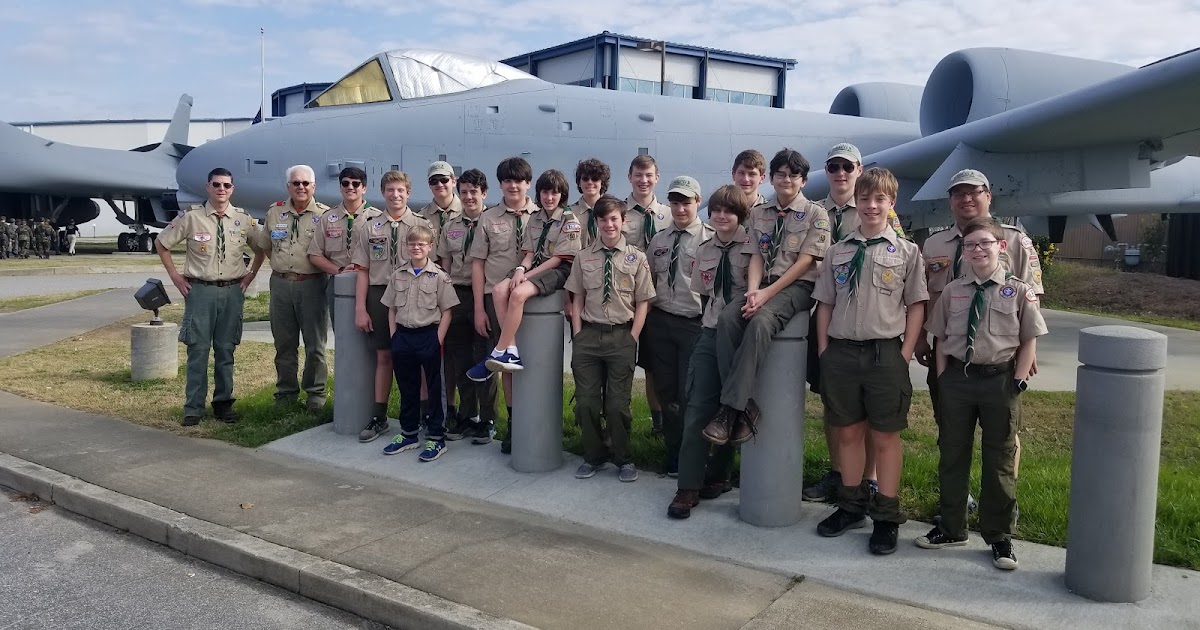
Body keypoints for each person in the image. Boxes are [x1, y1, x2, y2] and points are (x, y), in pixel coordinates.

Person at [918, 216, 1046, 570]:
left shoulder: (1018, 290)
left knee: (1000, 459)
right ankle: (951, 526)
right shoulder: (954, 291)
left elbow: (1029, 338)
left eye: (985, 243)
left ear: (1000, 247)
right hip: (958, 380)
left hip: (999, 382)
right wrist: (943, 378)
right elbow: (941, 338)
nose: (977, 249)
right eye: (971, 245)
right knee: (953, 455)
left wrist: (1019, 380)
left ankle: (999, 536)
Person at [813, 167, 928, 556]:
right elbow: (825, 303)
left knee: (885, 437)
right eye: (865, 199)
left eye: (880, 199)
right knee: (847, 432)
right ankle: (850, 506)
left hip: (885, 354)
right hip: (842, 354)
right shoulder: (838, 251)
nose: (872, 205)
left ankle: (886, 515)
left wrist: (906, 352)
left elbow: (916, 306)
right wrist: (825, 351)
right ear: (856, 203)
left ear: (890, 203)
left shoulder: (907, 252)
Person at [916, 169, 1044, 486]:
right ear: (950, 201)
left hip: (999, 358)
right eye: (959, 193)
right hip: (949, 353)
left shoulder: (1014, 241)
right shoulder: (934, 244)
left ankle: (1000, 501)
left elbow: (1032, 296)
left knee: (1003, 436)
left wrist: (1031, 349)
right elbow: (922, 295)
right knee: (949, 427)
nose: (967, 199)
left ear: (989, 196)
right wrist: (920, 337)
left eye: (974, 192)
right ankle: (959, 498)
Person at [704, 148, 830, 444]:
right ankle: (745, 405)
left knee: (760, 322)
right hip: (761, 285)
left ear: (804, 180)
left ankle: (729, 410)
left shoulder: (816, 214)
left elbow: (806, 261)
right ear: (771, 179)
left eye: (793, 175)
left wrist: (766, 294)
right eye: (780, 174)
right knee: (728, 319)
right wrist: (752, 291)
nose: (786, 180)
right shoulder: (759, 214)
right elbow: (756, 256)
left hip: (797, 287)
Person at [805, 143, 891, 502]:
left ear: (859, 169)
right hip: (823, 313)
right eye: (833, 166)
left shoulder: (873, 210)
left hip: (865, 316)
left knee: (868, 406)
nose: (840, 173)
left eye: (847, 166)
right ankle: (840, 472)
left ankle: (869, 478)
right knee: (833, 401)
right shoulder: (812, 212)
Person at [155, 167, 265, 426]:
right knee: (198, 350)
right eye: (216, 184)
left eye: (227, 185)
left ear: (232, 189)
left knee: (226, 350)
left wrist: (250, 275)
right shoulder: (192, 218)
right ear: (208, 187)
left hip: (232, 291)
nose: (221, 189)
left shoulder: (242, 219)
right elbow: (162, 243)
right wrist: (175, 276)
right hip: (200, 291)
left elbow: (261, 248)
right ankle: (193, 407)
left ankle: (223, 404)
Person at [667, 185, 751, 518]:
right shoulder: (704, 250)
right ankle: (688, 486)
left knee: (733, 406)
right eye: (715, 211)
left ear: (740, 215)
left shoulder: (754, 248)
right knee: (699, 406)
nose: (720, 216)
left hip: (743, 338)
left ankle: (719, 475)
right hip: (711, 332)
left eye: (728, 211)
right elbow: (705, 296)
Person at [565, 195, 656, 482]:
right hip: (589, 337)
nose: (608, 224)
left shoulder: (636, 257)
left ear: (623, 221)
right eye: (603, 219)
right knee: (587, 403)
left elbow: (643, 300)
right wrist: (578, 332)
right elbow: (577, 296)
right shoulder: (584, 256)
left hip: (621, 336)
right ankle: (593, 456)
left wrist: (633, 336)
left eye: (614, 218)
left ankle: (623, 457)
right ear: (597, 222)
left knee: (618, 405)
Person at [467, 169, 581, 375]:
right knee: (499, 290)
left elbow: (557, 259)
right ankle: (510, 349)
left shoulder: (569, 220)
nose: (549, 198)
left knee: (518, 293)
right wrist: (520, 269)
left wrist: (526, 276)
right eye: (545, 193)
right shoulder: (536, 219)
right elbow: (528, 253)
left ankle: (498, 350)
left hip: (559, 269)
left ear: (562, 195)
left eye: (554, 193)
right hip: (535, 266)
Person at [353, 170, 435, 443]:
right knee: (384, 356)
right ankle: (380, 416)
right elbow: (362, 270)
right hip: (380, 295)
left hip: (416, 294)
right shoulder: (369, 226)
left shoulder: (422, 225)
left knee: (421, 358)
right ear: (383, 192)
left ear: (408, 193)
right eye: (390, 190)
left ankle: (425, 414)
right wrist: (360, 308)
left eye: (400, 190)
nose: (395, 195)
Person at [465, 157, 536, 452]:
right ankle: (514, 425)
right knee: (505, 361)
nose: (512, 185)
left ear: (527, 184)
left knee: (531, 362)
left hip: (532, 302)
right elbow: (478, 265)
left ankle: (536, 422)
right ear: (500, 184)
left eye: (518, 180)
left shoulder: (542, 216)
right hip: (495, 300)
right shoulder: (489, 218)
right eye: (507, 180)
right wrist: (480, 309)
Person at [644, 176, 712, 476]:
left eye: (686, 202)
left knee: (690, 393)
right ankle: (673, 452)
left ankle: (694, 454)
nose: (680, 208)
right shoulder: (659, 240)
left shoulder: (710, 240)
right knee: (666, 391)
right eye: (675, 202)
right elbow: (648, 282)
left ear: (698, 201)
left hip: (693, 324)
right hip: (661, 323)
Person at [378, 225, 459, 462]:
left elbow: (447, 311)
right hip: (403, 336)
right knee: (407, 386)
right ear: (405, 247)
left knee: (435, 388)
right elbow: (391, 308)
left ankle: (436, 437)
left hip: (429, 336)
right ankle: (409, 433)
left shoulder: (440, 276)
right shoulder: (397, 275)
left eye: (421, 244)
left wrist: (437, 339)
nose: (416, 248)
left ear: (430, 248)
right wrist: (394, 335)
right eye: (412, 244)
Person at [254, 165, 330, 413]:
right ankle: (285, 393)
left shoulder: (325, 216)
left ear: (314, 187)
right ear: (288, 186)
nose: (301, 187)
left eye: (306, 183)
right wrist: (282, 266)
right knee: (284, 343)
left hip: (312, 285)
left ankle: (315, 395)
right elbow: (265, 245)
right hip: (280, 285)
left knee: (315, 345)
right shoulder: (275, 213)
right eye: (296, 183)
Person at [437, 169, 498, 442]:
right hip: (457, 295)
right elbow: (445, 264)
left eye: (474, 191)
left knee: (485, 359)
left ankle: (487, 419)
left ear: (484, 193)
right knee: (459, 358)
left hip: (484, 296)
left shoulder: (495, 223)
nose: (469, 197)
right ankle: (467, 415)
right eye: (464, 192)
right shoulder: (451, 226)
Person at [307, 167, 380, 330]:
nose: (350, 187)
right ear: (340, 187)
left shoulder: (377, 218)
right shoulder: (328, 217)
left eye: (356, 183)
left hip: (370, 284)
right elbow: (315, 254)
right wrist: (339, 270)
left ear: (364, 188)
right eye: (345, 183)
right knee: (341, 332)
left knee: (371, 334)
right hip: (338, 283)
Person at [571, 158, 610, 248]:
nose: (590, 182)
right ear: (579, 183)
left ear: (602, 183)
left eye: (595, 179)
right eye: (585, 179)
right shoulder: (569, 213)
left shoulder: (613, 211)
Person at [420, 161, 462, 239]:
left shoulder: (467, 212)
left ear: (454, 182)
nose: (439, 185)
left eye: (444, 180)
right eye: (434, 181)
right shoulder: (421, 217)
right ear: (429, 185)